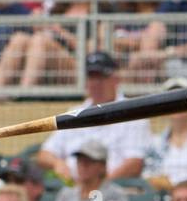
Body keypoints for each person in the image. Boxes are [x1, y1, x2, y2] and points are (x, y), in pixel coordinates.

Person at [35, 53, 151, 182]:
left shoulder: (133, 112)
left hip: (113, 190)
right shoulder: (74, 113)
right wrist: (57, 164)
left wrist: (98, 186)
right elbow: (44, 155)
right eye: (91, 77)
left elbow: (135, 164)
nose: (96, 83)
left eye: (101, 77)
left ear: (116, 79)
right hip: (72, 188)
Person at [51, 140, 130, 201]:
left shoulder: (115, 194)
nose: (83, 165)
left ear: (102, 166)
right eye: (80, 160)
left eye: (89, 161)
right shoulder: (66, 194)